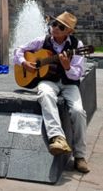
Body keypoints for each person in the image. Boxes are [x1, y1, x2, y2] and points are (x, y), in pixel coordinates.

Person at [13, 11, 90, 174]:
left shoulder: (77, 46)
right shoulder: (43, 40)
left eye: (60, 27)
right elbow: (19, 50)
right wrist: (24, 62)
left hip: (69, 84)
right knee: (44, 94)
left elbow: (78, 73)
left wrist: (67, 66)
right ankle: (57, 138)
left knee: (78, 111)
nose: (55, 28)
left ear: (68, 32)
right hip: (49, 81)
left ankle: (80, 156)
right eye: (54, 24)